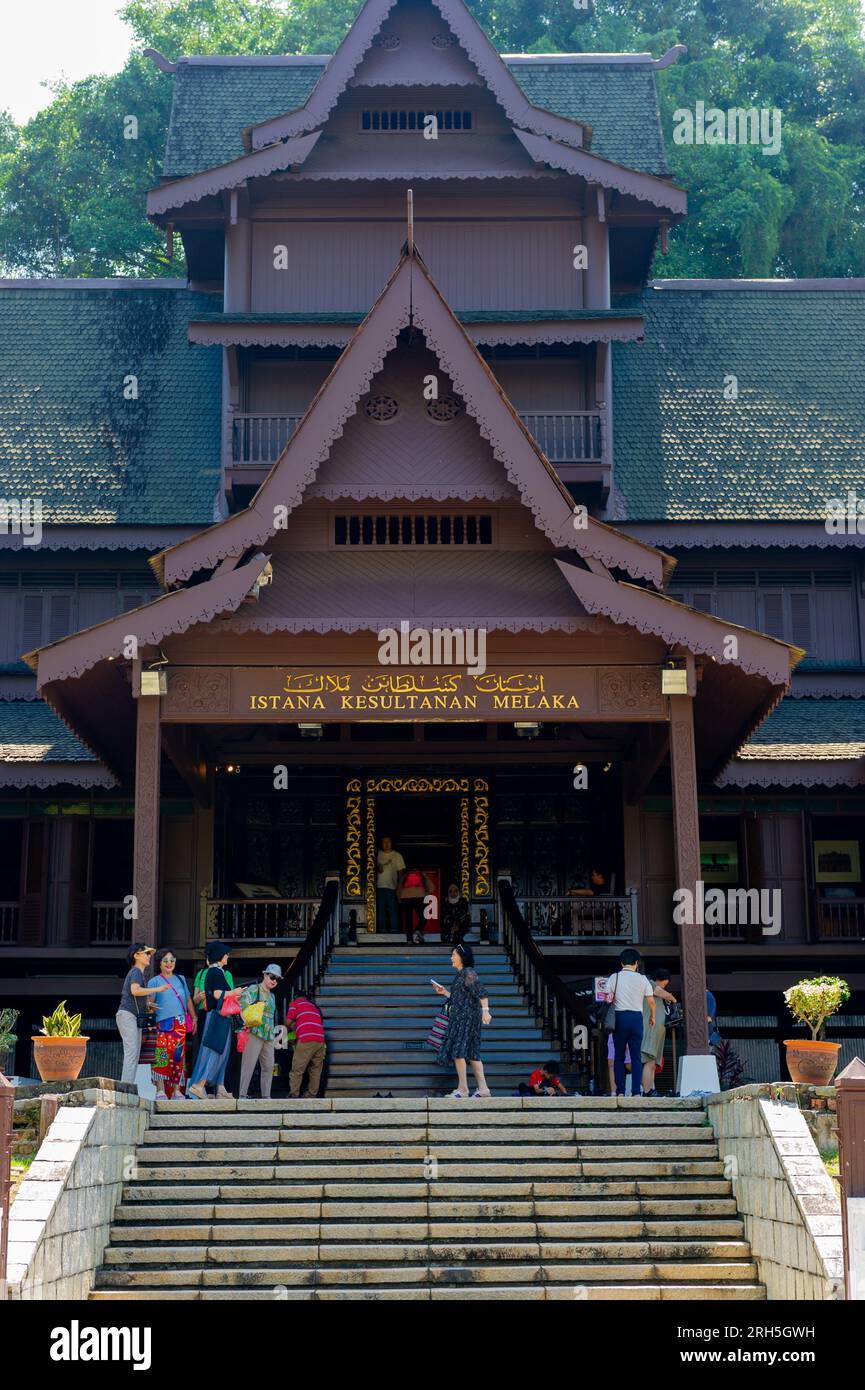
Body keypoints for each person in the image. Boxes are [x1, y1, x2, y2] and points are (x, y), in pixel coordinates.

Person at [432, 943, 492, 1097]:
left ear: (462, 957)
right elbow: (460, 998)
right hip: (465, 1017)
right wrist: (445, 992)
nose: (451, 957)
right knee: (473, 1053)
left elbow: (482, 993)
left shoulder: (468, 973)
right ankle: (483, 1089)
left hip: (465, 1019)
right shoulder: (462, 974)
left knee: (459, 1051)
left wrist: (486, 1011)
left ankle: (463, 1089)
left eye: (454, 954)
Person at [187, 941, 242, 1101]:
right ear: (220, 955)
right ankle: (199, 1085)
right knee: (215, 1051)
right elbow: (218, 994)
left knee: (221, 1052)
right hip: (218, 1015)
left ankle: (221, 1088)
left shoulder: (214, 972)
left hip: (219, 1015)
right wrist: (234, 992)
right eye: (226, 954)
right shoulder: (216, 972)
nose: (228, 956)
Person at [603, 947, 655, 1099]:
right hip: (636, 1018)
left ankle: (620, 1092)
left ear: (621, 963)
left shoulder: (615, 977)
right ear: (636, 963)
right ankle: (636, 1093)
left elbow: (608, 999)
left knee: (618, 1056)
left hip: (619, 1018)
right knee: (636, 1057)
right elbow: (651, 1002)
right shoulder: (642, 979)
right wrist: (652, 1016)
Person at [116, 944, 168, 1087]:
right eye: (146, 953)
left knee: (134, 1054)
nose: (149, 956)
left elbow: (135, 994)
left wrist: (148, 1005)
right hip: (128, 1016)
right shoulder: (136, 972)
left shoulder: (137, 973)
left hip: (130, 1016)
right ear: (136, 955)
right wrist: (158, 989)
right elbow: (135, 990)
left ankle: (127, 1087)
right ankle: (125, 1089)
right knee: (132, 1053)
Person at [148, 948, 195, 1099]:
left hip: (180, 1022)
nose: (169, 964)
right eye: (165, 961)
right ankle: (160, 1090)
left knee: (178, 1056)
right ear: (159, 964)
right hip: (161, 1023)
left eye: (172, 960)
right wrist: (150, 1015)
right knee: (161, 1055)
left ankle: (176, 1090)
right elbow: (150, 1003)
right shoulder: (154, 981)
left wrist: (194, 1018)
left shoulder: (181, 979)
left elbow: (188, 1000)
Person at [238, 964, 281, 1100]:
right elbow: (240, 1005)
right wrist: (244, 1023)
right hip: (254, 1032)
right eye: (272, 977)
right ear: (265, 975)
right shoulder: (254, 989)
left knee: (269, 1065)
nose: (274, 980)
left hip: (268, 1034)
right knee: (248, 1064)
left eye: (277, 979)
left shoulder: (272, 996)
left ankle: (266, 1096)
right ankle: (242, 1094)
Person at [641, 967, 676, 1097]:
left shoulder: (657, 990)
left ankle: (649, 1090)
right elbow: (663, 993)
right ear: (658, 980)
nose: (664, 987)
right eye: (664, 984)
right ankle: (647, 1091)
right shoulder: (650, 984)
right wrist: (672, 998)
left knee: (653, 1063)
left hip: (657, 1030)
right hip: (651, 1029)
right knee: (649, 1060)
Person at [285, 994, 327, 1098]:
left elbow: (288, 1021)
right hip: (320, 1040)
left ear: (294, 998)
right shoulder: (313, 1006)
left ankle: (293, 1094)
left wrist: (293, 1026)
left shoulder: (295, 1004)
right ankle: (311, 1095)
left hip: (306, 1039)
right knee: (315, 1070)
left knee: (297, 1069)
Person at [376, 836, 405, 934]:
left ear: (392, 843)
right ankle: (382, 929)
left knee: (393, 909)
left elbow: (401, 871)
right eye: (384, 842)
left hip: (392, 887)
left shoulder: (397, 855)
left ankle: (394, 929)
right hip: (379, 886)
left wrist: (399, 886)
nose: (387, 844)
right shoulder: (377, 854)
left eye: (388, 841)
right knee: (381, 909)